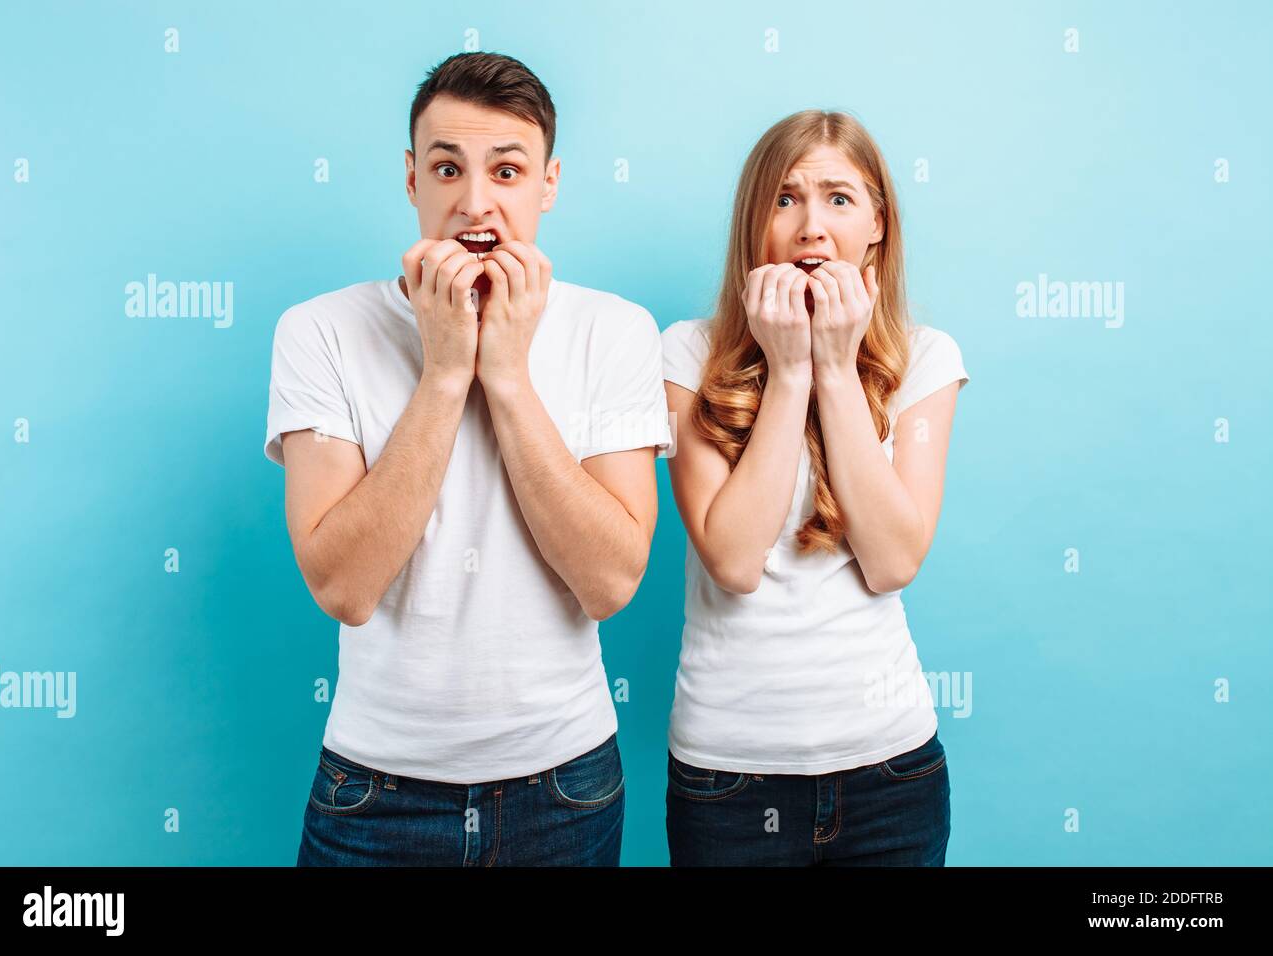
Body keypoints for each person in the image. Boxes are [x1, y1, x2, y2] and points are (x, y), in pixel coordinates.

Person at [264, 51, 672, 866]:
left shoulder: (616, 331)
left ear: (548, 184)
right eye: (448, 168)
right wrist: (447, 369)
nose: (475, 203)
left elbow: (611, 581)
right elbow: (344, 586)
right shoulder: (319, 332)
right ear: (412, 179)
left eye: (508, 170)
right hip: (376, 791)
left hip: (565, 788)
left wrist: (509, 378)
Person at [660, 109, 969, 866]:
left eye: (839, 199)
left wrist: (835, 365)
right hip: (728, 777)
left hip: (891, 773)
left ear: (877, 227)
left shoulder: (926, 359)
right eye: (786, 198)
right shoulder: (684, 352)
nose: (811, 228)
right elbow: (733, 562)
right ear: (754, 223)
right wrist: (790, 367)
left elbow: (893, 559)